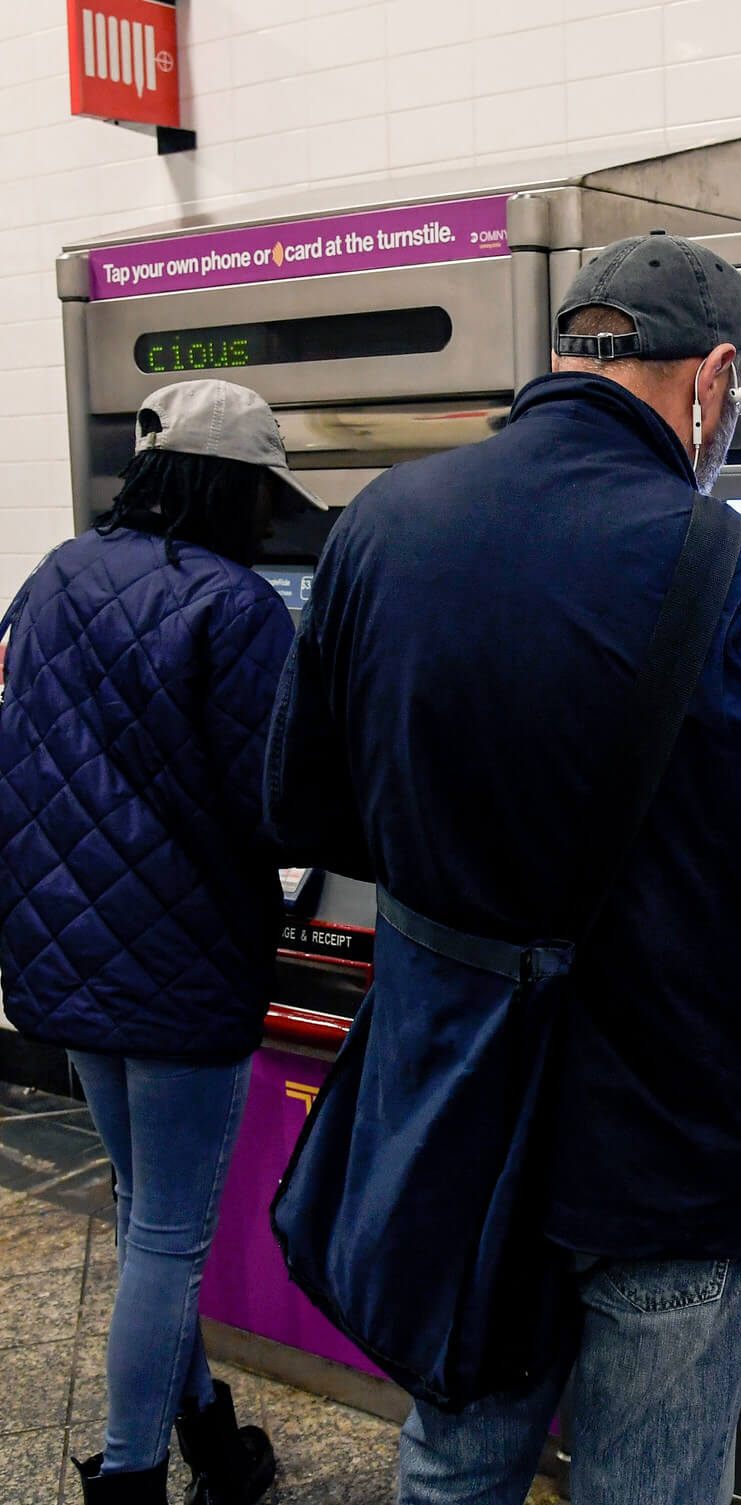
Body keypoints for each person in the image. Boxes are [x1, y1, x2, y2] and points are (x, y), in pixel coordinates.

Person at [265, 231, 741, 1505]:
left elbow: (305, 808)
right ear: (712, 378)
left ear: (569, 352)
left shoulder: (381, 527)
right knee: (651, 1486)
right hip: (673, 1140)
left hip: (451, 1108)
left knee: (455, 1461)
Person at [0, 380, 323, 1504]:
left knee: (147, 1216)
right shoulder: (236, 608)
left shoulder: (54, 575)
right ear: (231, 486)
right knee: (169, 1235)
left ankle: (209, 1437)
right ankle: (132, 1478)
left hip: (61, 946)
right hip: (182, 962)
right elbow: (275, 800)